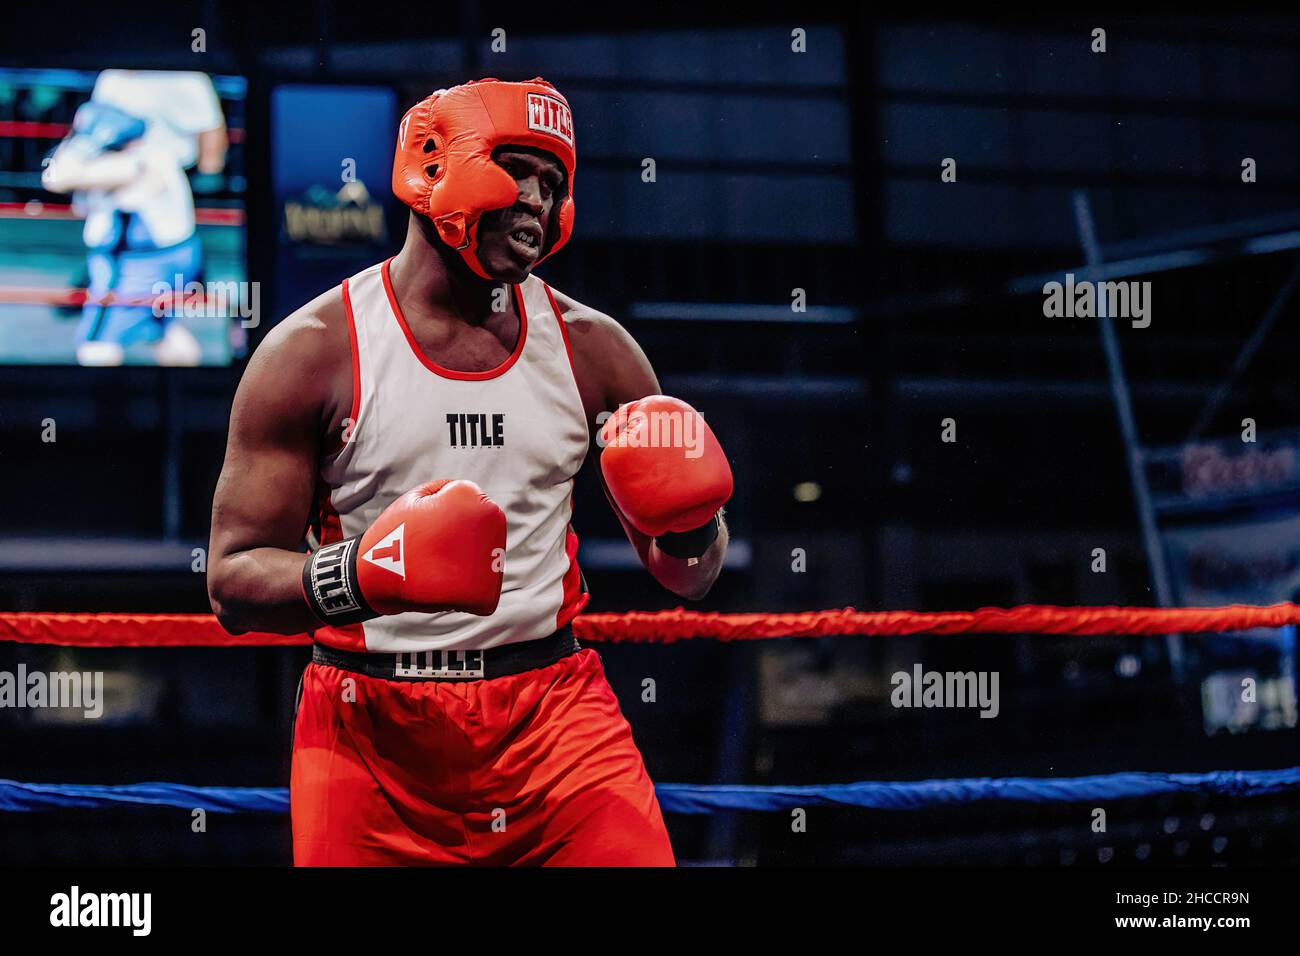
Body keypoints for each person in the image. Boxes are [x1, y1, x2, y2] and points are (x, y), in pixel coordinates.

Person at [207, 78, 733, 866]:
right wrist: (366, 571)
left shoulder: (596, 352)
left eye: (554, 185)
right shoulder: (316, 352)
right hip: (367, 727)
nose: (536, 201)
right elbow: (232, 583)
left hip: (553, 720)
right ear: (431, 165)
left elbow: (688, 579)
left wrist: (694, 522)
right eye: (518, 169)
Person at [42, 100, 204, 366]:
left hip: (136, 267)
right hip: (173, 257)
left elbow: (55, 177)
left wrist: (81, 140)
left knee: (96, 345)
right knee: (162, 333)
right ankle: (198, 400)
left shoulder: (135, 163)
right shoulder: (158, 152)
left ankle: (103, 408)